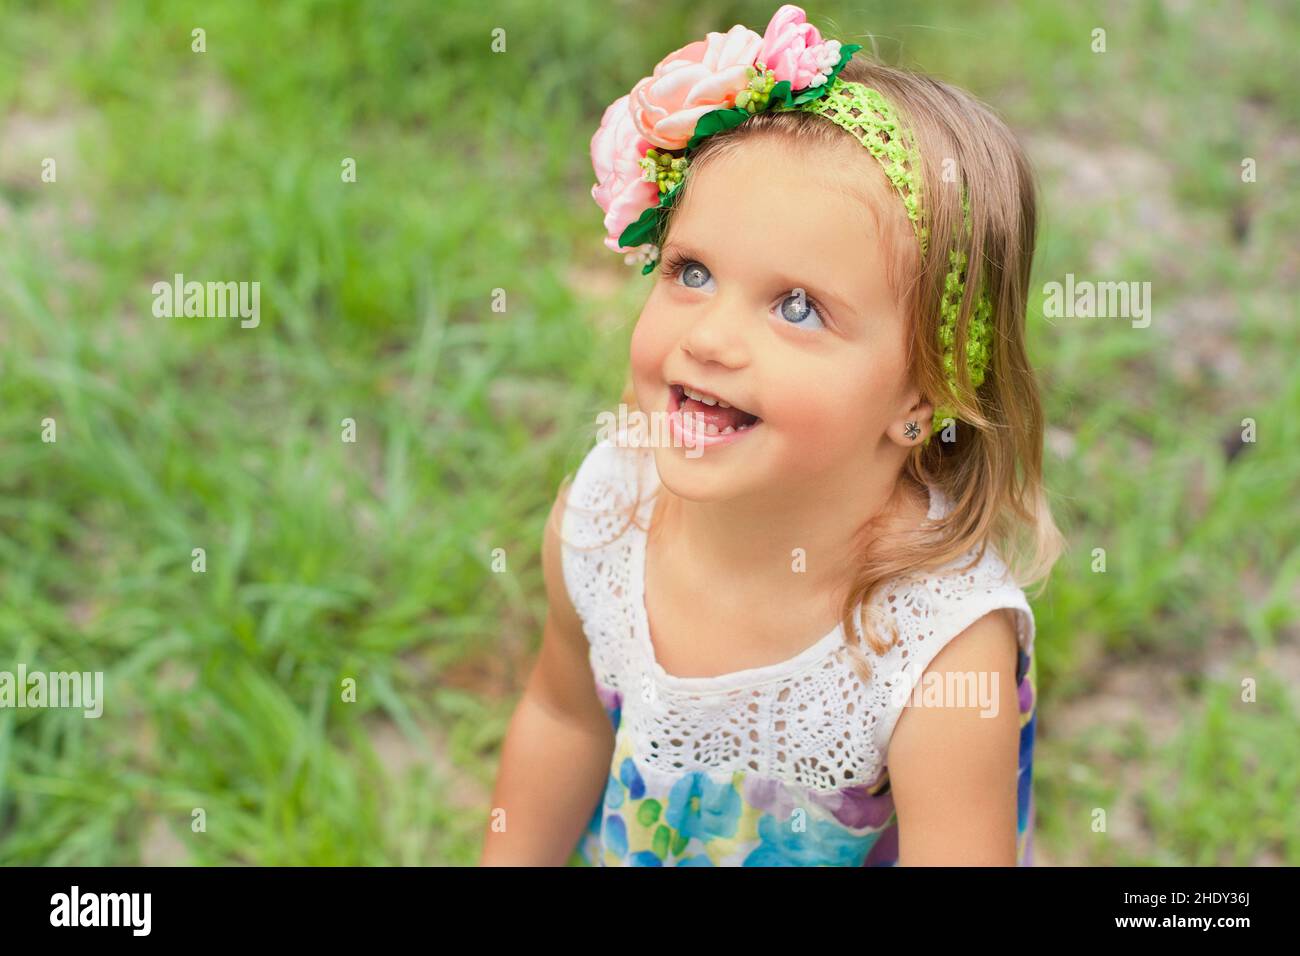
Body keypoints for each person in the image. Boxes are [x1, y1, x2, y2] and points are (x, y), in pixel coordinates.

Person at [481, 3, 1065, 867]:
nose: (710, 337)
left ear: (923, 391)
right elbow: (563, 716)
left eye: (797, 307)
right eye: (692, 271)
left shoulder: (936, 651)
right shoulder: (606, 517)